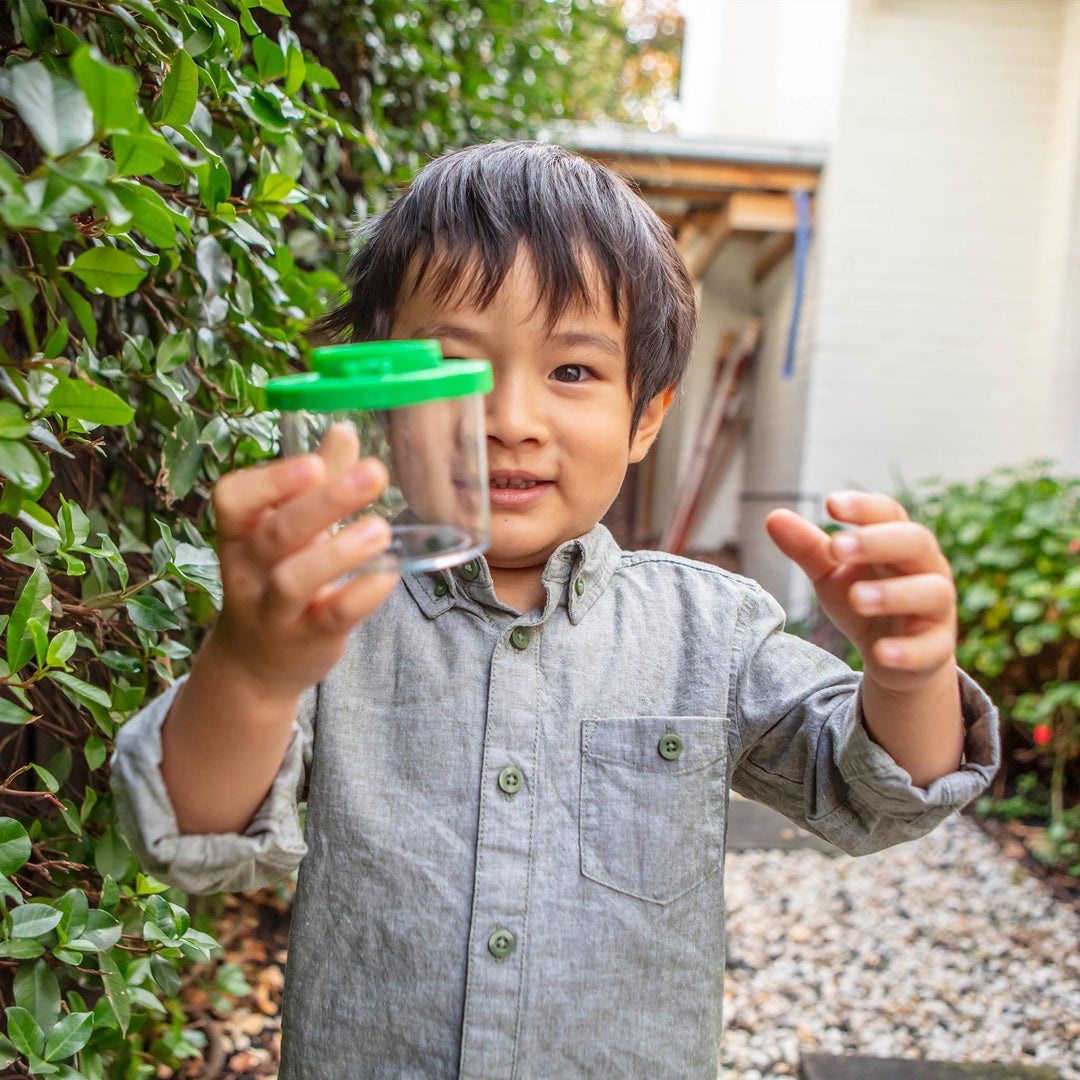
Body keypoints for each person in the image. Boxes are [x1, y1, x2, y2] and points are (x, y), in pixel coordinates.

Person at [111, 141, 1000, 1079]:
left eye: (572, 372)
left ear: (645, 416)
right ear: (376, 393)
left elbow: (873, 793)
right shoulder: (330, 620)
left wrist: (911, 675)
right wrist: (252, 671)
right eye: (453, 368)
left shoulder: (711, 630)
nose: (509, 416)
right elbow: (194, 840)